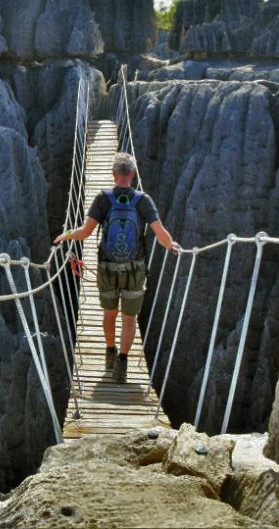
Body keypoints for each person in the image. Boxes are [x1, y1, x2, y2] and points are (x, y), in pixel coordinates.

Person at [53, 152, 177, 384]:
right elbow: (161, 235)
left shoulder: (102, 198)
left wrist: (66, 235)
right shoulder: (143, 200)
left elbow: (85, 232)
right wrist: (172, 245)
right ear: (132, 174)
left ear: (113, 174)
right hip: (135, 269)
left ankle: (109, 351)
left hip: (107, 268)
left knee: (109, 314)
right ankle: (122, 360)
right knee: (129, 319)